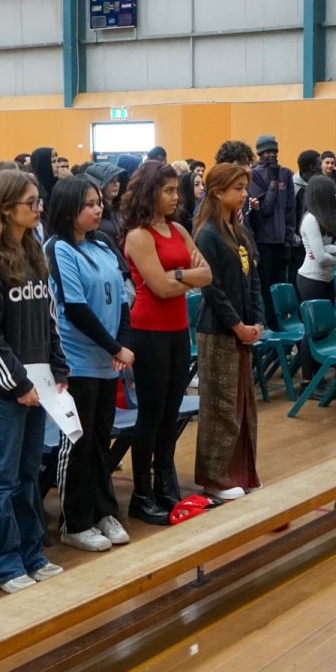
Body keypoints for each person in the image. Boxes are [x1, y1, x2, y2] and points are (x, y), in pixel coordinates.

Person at [0, 170, 68, 593]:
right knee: (2, 477)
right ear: (7, 207)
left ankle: (30, 552)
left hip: (37, 384)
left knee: (28, 473)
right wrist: (18, 383)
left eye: (38, 200)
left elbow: (48, 317)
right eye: (31, 202)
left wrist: (58, 369)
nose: (38, 207)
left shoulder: (33, 250)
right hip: (5, 389)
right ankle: (2, 564)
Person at [121, 162, 213, 524]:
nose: (177, 196)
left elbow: (207, 273)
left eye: (177, 190)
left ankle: (165, 485)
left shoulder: (176, 229)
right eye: (169, 190)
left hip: (177, 330)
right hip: (149, 332)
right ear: (150, 193)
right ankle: (141, 494)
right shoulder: (139, 235)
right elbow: (159, 289)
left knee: (170, 413)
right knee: (151, 415)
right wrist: (184, 277)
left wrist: (177, 276)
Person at [44, 177, 132, 553]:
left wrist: (122, 344)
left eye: (99, 202)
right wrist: (115, 346)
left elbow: (124, 298)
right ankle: (74, 521)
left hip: (106, 359)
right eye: (89, 204)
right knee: (76, 443)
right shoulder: (58, 248)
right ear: (68, 209)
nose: (98, 209)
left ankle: (102, 511)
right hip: (76, 361)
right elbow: (75, 309)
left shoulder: (102, 244)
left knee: (100, 440)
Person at [193, 164, 264, 499]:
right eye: (237, 188)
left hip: (241, 332)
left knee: (243, 407)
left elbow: (253, 281)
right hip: (218, 332)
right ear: (218, 192)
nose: (244, 194)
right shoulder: (207, 234)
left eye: (245, 187)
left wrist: (258, 323)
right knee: (221, 408)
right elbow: (213, 290)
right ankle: (215, 478)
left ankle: (241, 472)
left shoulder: (238, 230)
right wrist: (238, 326)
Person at [296, 174, 336, 381]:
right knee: (312, 330)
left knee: (325, 328)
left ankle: (320, 375)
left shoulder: (328, 218)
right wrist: (331, 251)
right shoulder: (310, 219)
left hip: (327, 279)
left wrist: (328, 249)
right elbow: (321, 258)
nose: (335, 195)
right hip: (310, 279)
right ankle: (308, 379)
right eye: (331, 191)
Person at [247, 135, 297, 328]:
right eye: (267, 151)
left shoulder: (286, 173)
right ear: (259, 153)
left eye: (274, 151)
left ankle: (281, 324)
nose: (272, 155)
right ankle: (267, 325)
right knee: (265, 289)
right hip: (263, 241)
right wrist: (273, 182)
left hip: (281, 242)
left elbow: (290, 210)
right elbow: (265, 208)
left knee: (280, 286)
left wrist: (288, 240)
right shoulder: (255, 175)